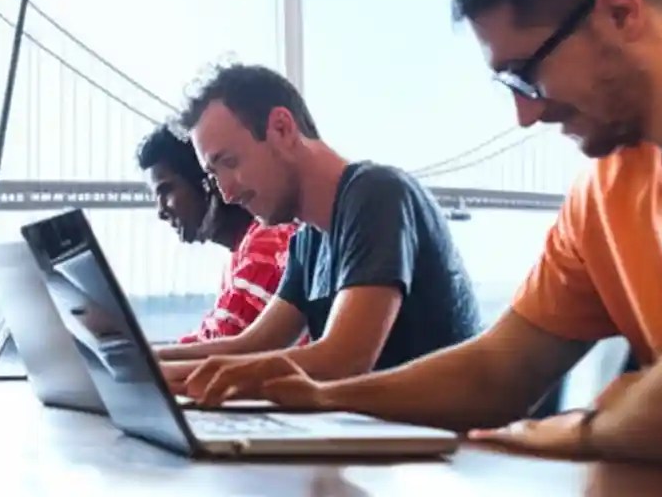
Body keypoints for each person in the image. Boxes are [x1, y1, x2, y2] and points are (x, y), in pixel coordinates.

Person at [213, 0, 662, 469]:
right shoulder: (605, 193)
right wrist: (325, 398)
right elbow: (501, 369)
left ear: (619, 14)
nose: (525, 115)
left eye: (525, 76)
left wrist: (580, 430)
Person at [158, 64, 481, 393]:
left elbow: (344, 360)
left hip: (449, 439)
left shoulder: (378, 193)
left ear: (282, 129)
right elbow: (251, 345)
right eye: (214, 175)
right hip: (384, 436)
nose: (225, 193)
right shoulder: (307, 241)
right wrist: (142, 361)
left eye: (230, 163)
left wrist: (174, 379)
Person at [137, 123, 297, 343]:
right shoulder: (243, 251)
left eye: (166, 190)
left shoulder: (266, 244)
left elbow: (217, 350)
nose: (161, 211)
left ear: (208, 181)